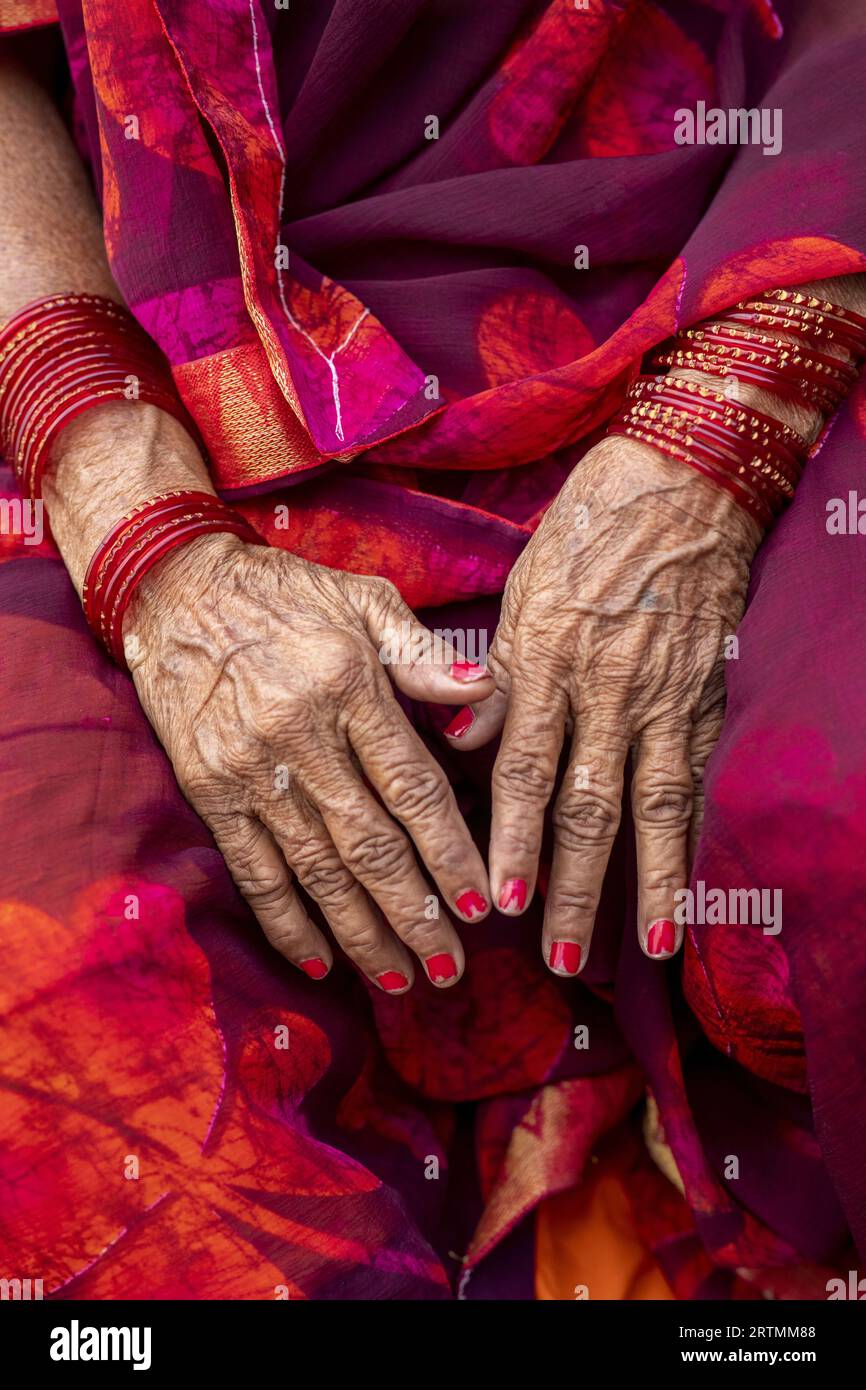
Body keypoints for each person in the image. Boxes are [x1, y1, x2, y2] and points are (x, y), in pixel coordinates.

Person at [1, 0, 865, 1300]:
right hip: (125, 357)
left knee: (829, 832)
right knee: (56, 1024)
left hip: (756, 253)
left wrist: (718, 436)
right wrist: (152, 542)